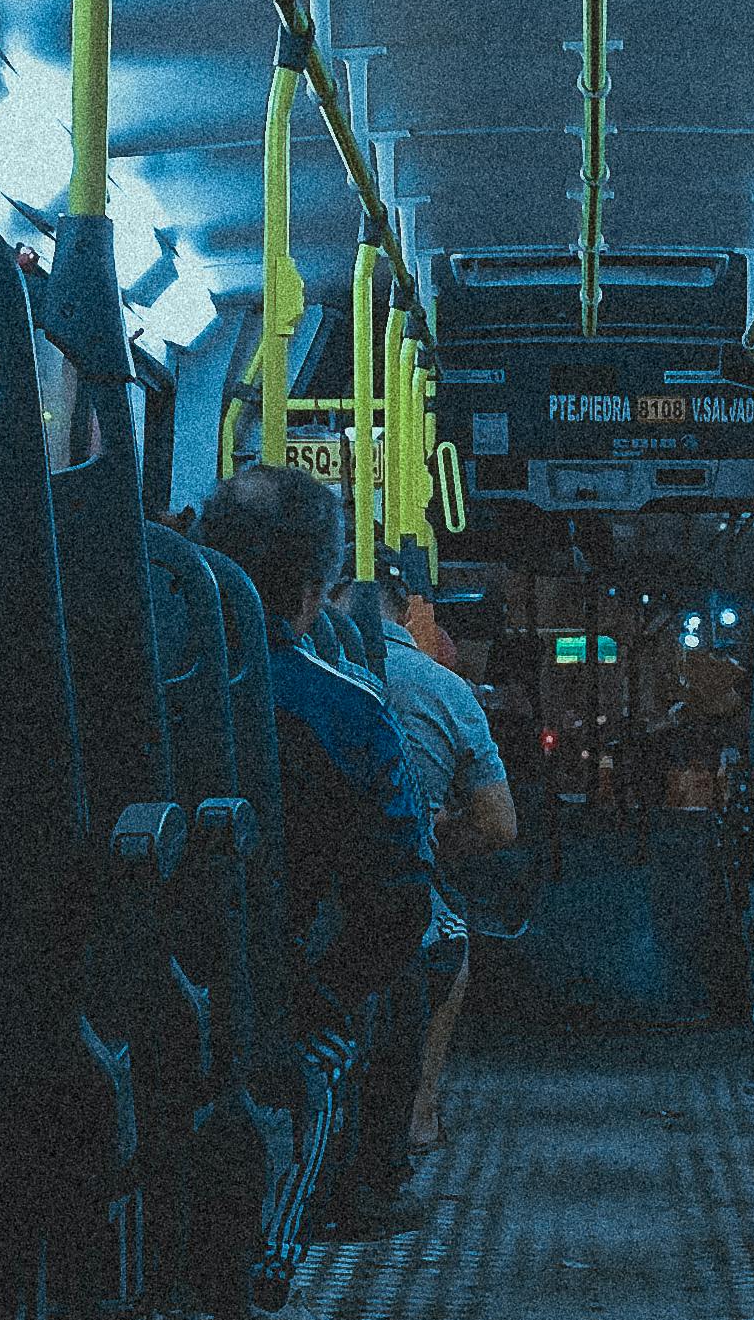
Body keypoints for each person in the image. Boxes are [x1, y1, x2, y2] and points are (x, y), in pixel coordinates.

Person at [198, 458, 436, 1275]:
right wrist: (325, 992)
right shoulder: (345, 708)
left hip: (120, 980)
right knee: (320, 1056)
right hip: (270, 987)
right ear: (311, 592)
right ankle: (260, 1288)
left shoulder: (108, 681)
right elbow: (402, 895)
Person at [378, 575, 518, 1161]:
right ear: (413, 614)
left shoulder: (254, 668)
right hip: (394, 888)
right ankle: (419, 1107)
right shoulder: (445, 692)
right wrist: (426, 848)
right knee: (445, 945)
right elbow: (498, 825)